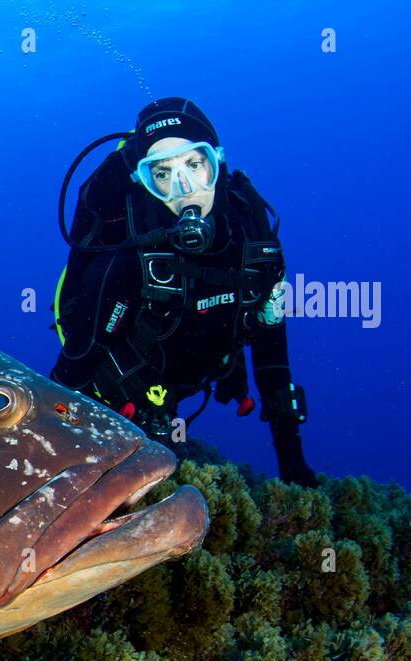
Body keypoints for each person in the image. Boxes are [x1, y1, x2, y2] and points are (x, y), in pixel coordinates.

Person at [50, 97, 317, 487]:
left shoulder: (254, 242)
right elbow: (71, 374)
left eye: (194, 164)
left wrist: (293, 464)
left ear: (217, 163)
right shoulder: (128, 261)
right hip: (134, 398)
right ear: (145, 182)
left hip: (206, 368)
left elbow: (272, 345)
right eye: (163, 173)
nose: (184, 189)